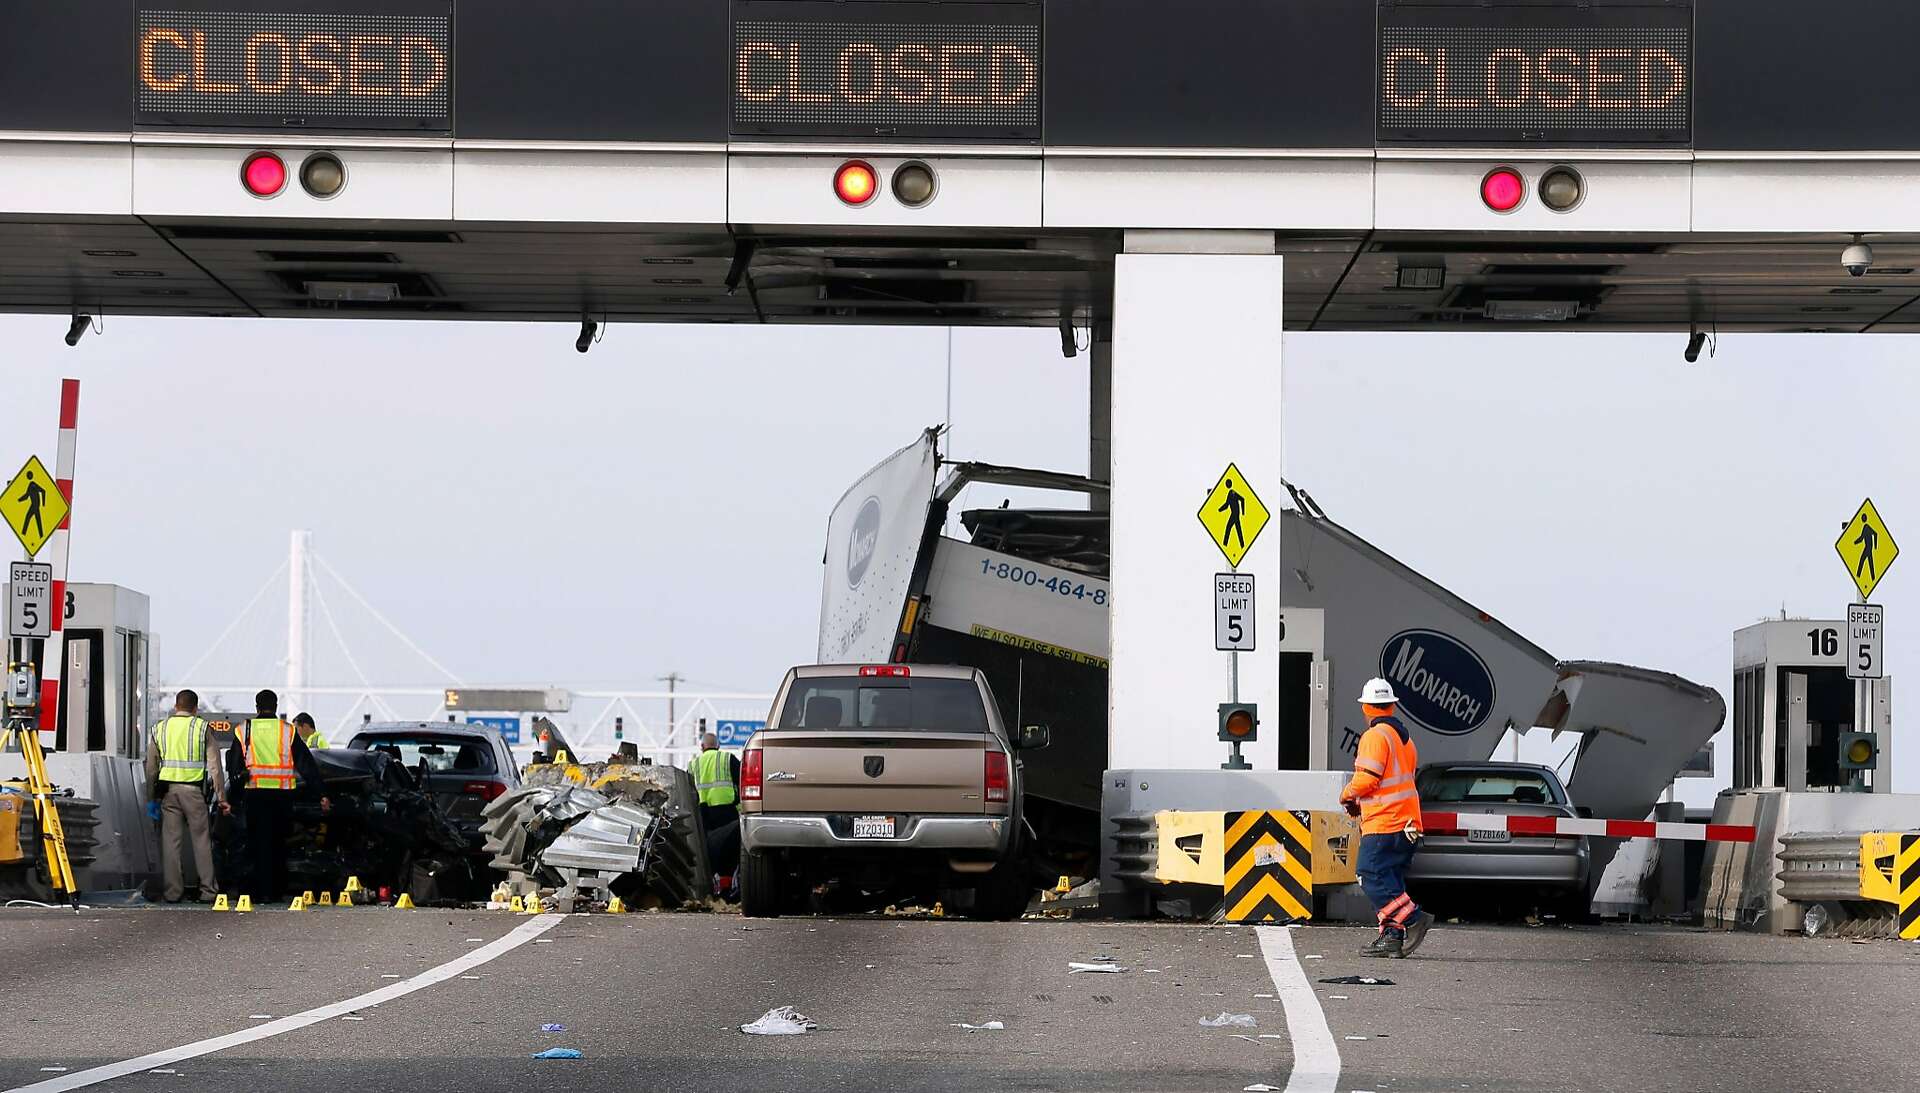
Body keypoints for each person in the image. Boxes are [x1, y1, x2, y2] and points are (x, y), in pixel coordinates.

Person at [1339, 678, 1434, 958]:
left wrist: (1346, 795)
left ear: (1366, 707)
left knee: (1369, 874)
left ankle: (1414, 918)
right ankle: (1392, 938)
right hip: (1407, 824)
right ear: (1392, 706)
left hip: (1386, 823)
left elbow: (1366, 780)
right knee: (1391, 881)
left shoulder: (1375, 736)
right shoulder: (1405, 740)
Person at [240, 689, 328, 902]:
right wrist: (321, 794)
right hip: (282, 796)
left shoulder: (244, 730)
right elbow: (307, 765)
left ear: (256, 707)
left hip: (254, 795)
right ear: (276, 706)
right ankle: (276, 891)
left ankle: (257, 892)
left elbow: (235, 766)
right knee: (278, 844)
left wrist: (230, 798)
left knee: (256, 843)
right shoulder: (288, 731)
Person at [142, 689, 229, 903]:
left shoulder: (160, 729)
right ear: (195, 708)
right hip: (193, 793)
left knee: (171, 843)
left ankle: (173, 893)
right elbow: (215, 766)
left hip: (168, 793)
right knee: (201, 841)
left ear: (175, 706)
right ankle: (208, 891)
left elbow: (152, 768)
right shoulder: (201, 728)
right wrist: (221, 797)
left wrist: (152, 796)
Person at [690, 732, 741, 895]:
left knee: (707, 854)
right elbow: (742, 781)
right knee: (729, 852)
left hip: (702, 815)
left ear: (702, 747)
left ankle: (710, 887)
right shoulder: (728, 759)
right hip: (726, 813)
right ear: (718, 746)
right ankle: (727, 889)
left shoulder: (693, 764)